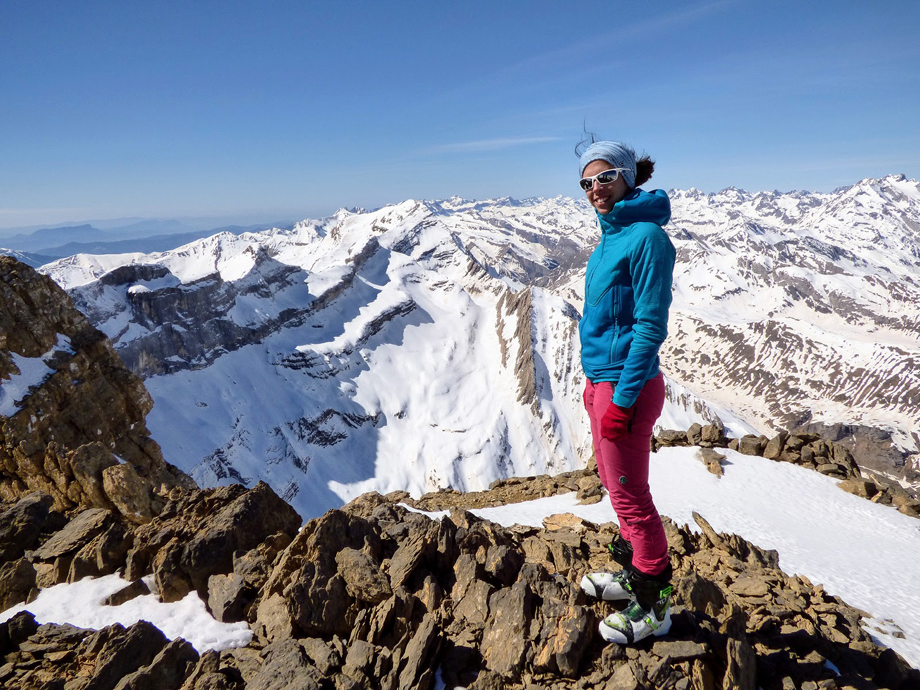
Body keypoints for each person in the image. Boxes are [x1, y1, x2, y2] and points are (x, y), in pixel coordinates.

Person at [574, 139, 676, 644]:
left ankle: (655, 606)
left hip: (626, 388)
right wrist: (594, 386)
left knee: (632, 498)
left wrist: (622, 397)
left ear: (628, 178)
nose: (595, 188)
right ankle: (633, 574)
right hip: (604, 383)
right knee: (617, 490)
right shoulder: (608, 237)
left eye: (605, 177)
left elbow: (648, 328)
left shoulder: (646, 238)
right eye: (586, 182)